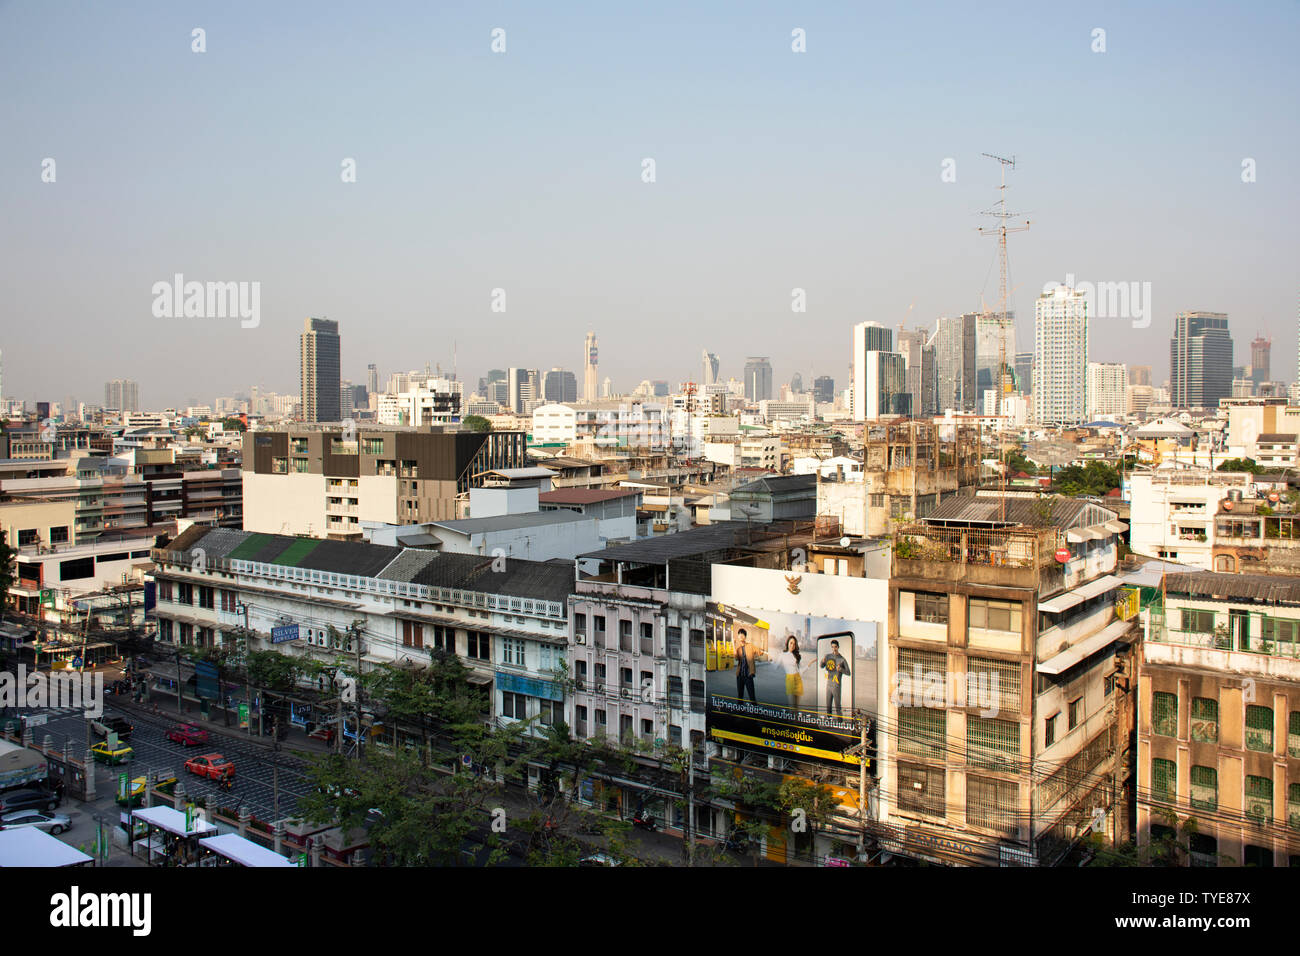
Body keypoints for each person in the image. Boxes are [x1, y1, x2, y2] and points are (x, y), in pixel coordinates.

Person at [774, 634, 811, 710]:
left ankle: (795, 721)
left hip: (798, 679)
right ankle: (791, 721)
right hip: (790, 679)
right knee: (791, 707)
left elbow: (800, 671)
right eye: (791, 643)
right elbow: (775, 666)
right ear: (787, 643)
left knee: (796, 708)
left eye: (794, 644)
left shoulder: (796, 656)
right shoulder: (782, 655)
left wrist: (808, 665)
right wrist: (771, 660)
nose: (792, 645)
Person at [820, 639, 851, 716]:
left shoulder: (842, 659)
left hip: (836, 686)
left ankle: (840, 723)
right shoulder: (828, 656)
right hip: (829, 685)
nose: (834, 648)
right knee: (828, 707)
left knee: (837, 707)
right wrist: (822, 661)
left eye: (835, 647)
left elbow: (848, 673)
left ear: (838, 647)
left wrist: (840, 669)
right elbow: (821, 666)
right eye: (832, 647)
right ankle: (829, 723)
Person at [733, 628, 759, 703]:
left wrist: (760, 653)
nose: (741, 636)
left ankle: (756, 713)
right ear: (738, 636)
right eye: (739, 634)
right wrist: (733, 645)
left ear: (745, 637)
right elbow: (736, 658)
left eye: (743, 634)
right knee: (740, 697)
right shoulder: (738, 649)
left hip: (748, 675)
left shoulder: (750, 646)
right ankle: (740, 713)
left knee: (752, 697)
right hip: (740, 676)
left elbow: (759, 652)